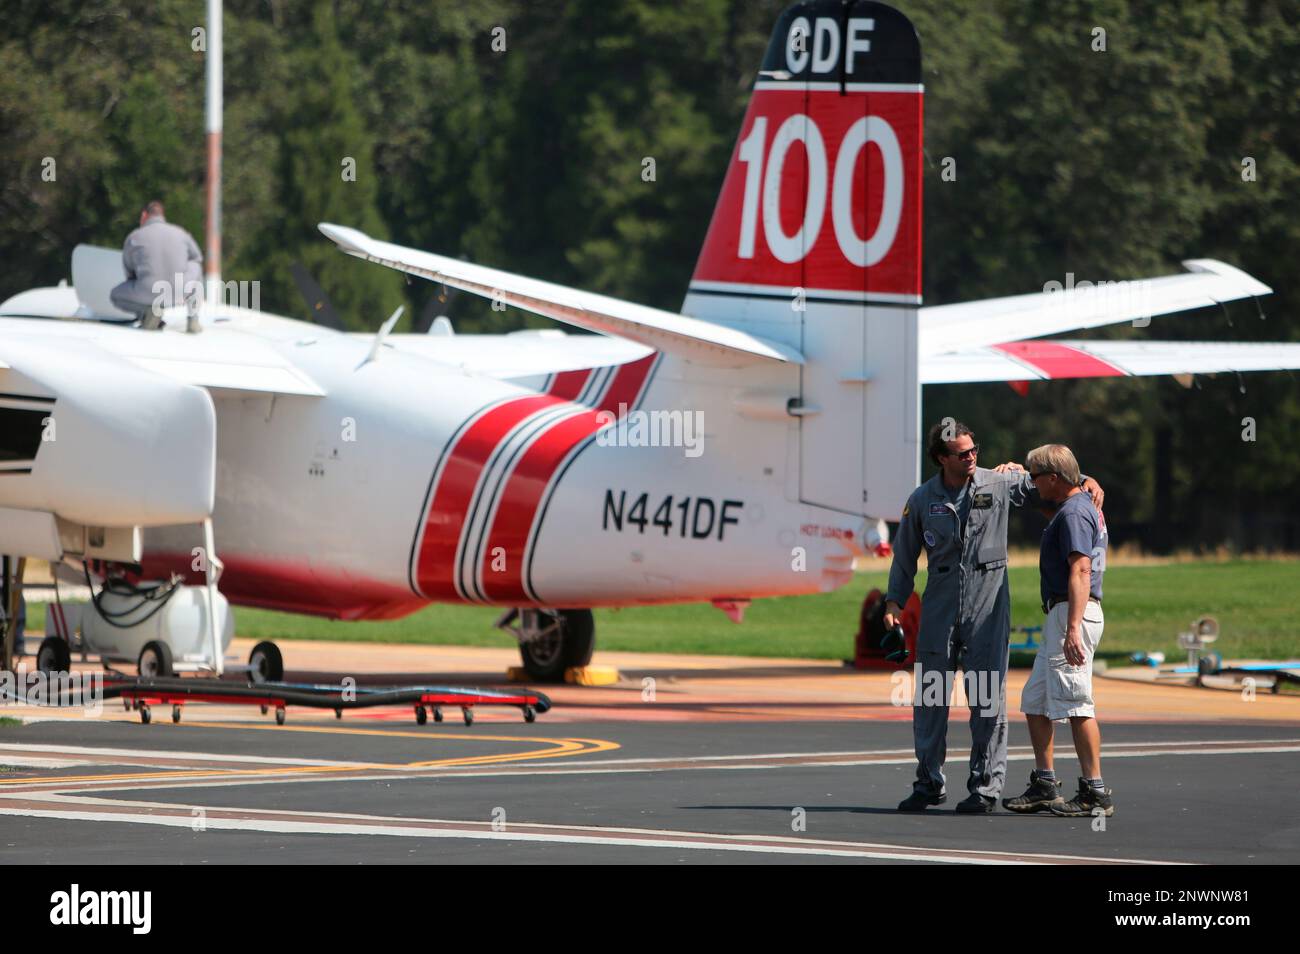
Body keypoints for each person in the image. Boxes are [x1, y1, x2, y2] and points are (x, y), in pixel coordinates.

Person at [885, 421, 1103, 813]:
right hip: (939, 606)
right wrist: (894, 604)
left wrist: (1088, 480)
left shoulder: (999, 483)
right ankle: (929, 782)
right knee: (931, 696)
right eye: (961, 453)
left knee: (987, 699)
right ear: (941, 458)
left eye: (974, 449)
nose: (971, 457)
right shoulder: (921, 500)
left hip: (988, 607)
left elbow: (1054, 481)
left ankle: (985, 787)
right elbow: (904, 557)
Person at [1003, 444, 1113, 817]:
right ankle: (1045, 782)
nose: (1032, 484)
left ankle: (1095, 791)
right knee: (1035, 702)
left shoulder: (1073, 513)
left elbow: (1081, 570)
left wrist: (1071, 629)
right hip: (1065, 613)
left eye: (1036, 477)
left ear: (1053, 478)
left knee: (1078, 703)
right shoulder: (1080, 502)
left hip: (1073, 613)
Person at [109, 200, 202, 329]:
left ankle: (147, 313)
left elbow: (129, 273)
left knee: (115, 295)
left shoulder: (134, 237)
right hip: (177, 293)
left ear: (144, 215)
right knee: (196, 265)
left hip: (148, 293)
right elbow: (197, 257)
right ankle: (193, 319)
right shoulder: (181, 233)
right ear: (162, 216)